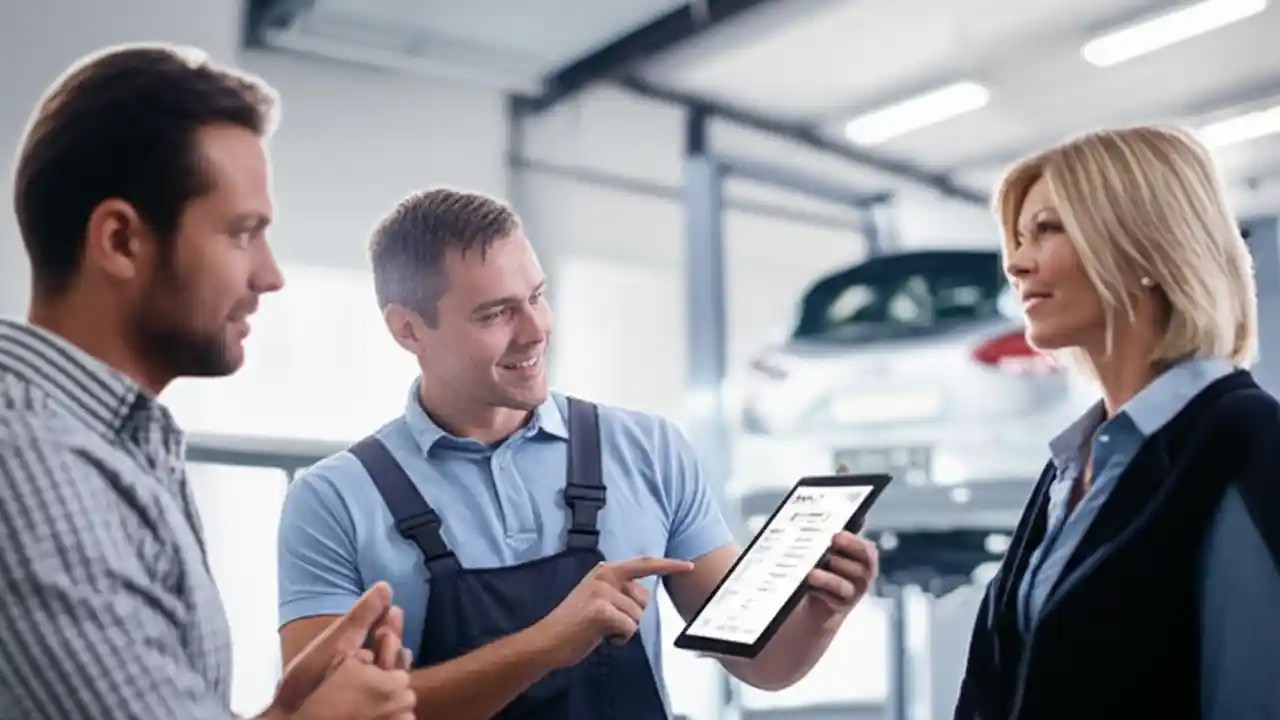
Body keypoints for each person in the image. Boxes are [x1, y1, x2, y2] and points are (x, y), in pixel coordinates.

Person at [276, 187, 881, 719]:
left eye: (536, 296)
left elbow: (762, 667)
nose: (534, 328)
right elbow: (323, 717)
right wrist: (548, 643)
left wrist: (820, 614)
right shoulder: (333, 500)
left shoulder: (649, 450)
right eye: (496, 313)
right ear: (408, 329)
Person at [0, 43, 417, 720]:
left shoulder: (119, 445)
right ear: (120, 241)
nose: (270, 275)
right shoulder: (29, 460)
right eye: (242, 234)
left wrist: (283, 716)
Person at [954, 125, 1280, 720]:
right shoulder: (1074, 465)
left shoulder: (1247, 443)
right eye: (1019, 238)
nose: (1015, 263)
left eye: (1047, 230)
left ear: (1146, 250)